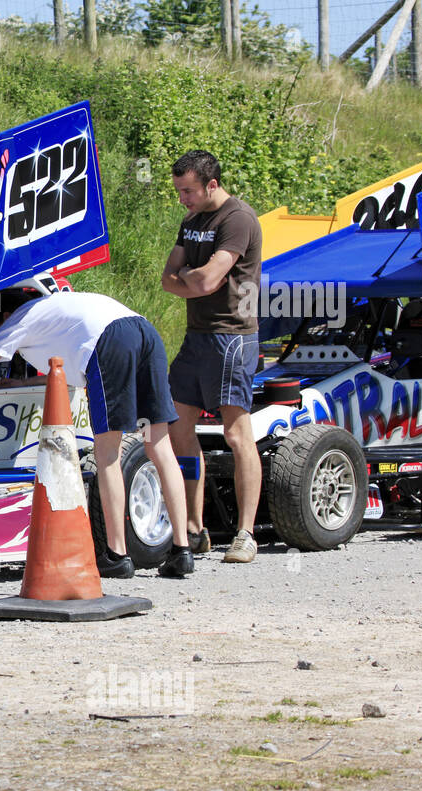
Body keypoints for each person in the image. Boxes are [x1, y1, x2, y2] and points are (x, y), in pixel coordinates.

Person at [0, 289, 194, 578]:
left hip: (109, 341)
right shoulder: (52, 311)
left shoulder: (19, 318)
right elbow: (63, 371)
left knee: (108, 453)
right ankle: (182, 550)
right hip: (144, 331)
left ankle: (117, 555)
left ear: (3, 316)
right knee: (159, 446)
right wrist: (23, 381)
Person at [160, 149, 264, 564]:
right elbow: (170, 280)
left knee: (237, 435)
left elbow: (205, 279)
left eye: (188, 191)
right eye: (179, 191)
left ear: (212, 185)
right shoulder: (192, 220)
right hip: (196, 337)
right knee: (177, 429)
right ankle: (194, 527)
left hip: (233, 337)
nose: (182, 199)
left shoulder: (237, 219)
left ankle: (246, 534)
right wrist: (190, 280)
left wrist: (189, 279)